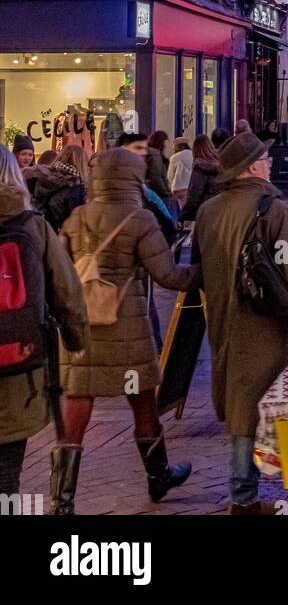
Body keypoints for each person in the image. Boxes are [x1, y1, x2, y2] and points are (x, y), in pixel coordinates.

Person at [52, 148, 200, 514]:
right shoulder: (139, 220)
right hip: (127, 332)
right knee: (142, 402)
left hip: (82, 333)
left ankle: (61, 499)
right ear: (133, 179)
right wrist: (205, 270)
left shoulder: (76, 219)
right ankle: (158, 475)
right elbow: (168, 276)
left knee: (77, 404)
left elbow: (58, 273)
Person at [194, 130, 288, 514]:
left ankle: (244, 492)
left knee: (241, 402)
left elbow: (198, 270)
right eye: (265, 159)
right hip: (265, 322)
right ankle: (244, 496)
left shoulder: (209, 210)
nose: (270, 163)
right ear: (252, 167)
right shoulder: (274, 208)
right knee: (253, 405)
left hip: (222, 320)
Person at [0, 148, 88, 503]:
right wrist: (75, 338)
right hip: (17, 369)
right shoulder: (32, 226)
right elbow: (67, 293)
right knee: (7, 473)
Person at [31, 144, 89, 233]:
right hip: (63, 236)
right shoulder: (75, 187)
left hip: (42, 233)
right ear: (82, 163)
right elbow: (78, 223)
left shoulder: (45, 178)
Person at [180, 134, 222, 222]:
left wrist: (182, 216)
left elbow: (194, 197)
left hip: (205, 213)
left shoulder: (200, 169)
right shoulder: (222, 166)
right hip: (221, 212)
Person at [167, 138, 194, 211]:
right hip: (192, 187)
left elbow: (170, 175)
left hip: (179, 188)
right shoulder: (194, 155)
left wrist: (170, 187)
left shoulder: (174, 157)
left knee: (182, 210)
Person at [144, 131, 171, 202]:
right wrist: (166, 192)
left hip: (150, 193)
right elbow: (156, 176)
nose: (166, 145)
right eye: (165, 142)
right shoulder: (155, 155)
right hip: (158, 194)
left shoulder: (148, 153)